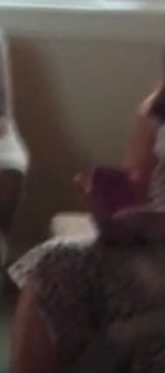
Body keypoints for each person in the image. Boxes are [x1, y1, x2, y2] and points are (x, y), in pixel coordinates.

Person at [10, 79, 165, 373]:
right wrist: (111, 215)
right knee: (55, 262)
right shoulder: (157, 108)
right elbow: (136, 195)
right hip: (149, 253)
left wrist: (158, 223)